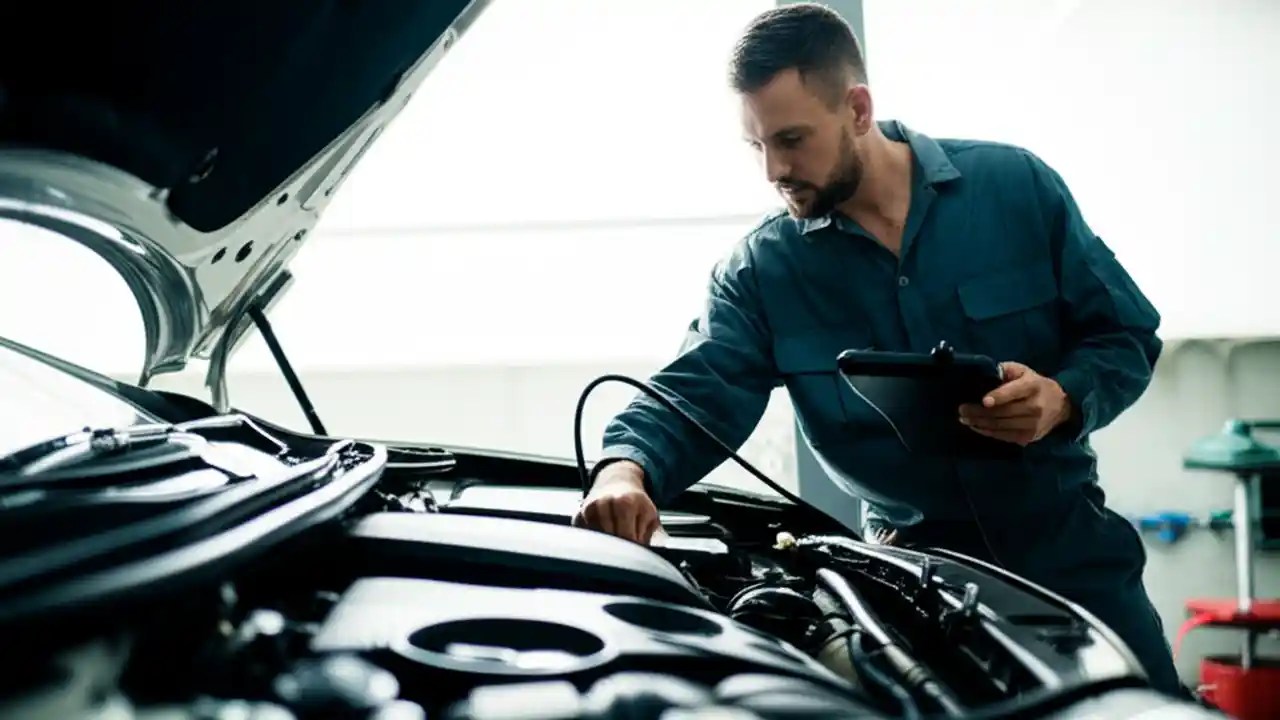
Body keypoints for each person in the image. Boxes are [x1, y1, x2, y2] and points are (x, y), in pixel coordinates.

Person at [571, 2, 1181, 696]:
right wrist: (626, 471)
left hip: (1073, 563)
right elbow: (694, 394)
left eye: (793, 138)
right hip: (906, 588)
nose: (774, 168)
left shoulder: (1017, 189)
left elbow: (1124, 332)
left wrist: (1064, 397)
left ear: (857, 108)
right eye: (757, 144)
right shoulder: (762, 273)